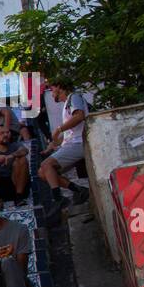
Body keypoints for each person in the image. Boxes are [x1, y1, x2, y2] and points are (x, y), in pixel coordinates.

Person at [39, 80, 90, 224]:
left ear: (60, 87)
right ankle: (79, 190)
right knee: (42, 173)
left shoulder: (74, 97)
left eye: (52, 88)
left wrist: (59, 129)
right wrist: (53, 144)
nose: (51, 92)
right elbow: (69, 135)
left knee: (46, 165)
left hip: (79, 143)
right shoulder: (67, 103)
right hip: (72, 143)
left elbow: (79, 116)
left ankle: (58, 199)